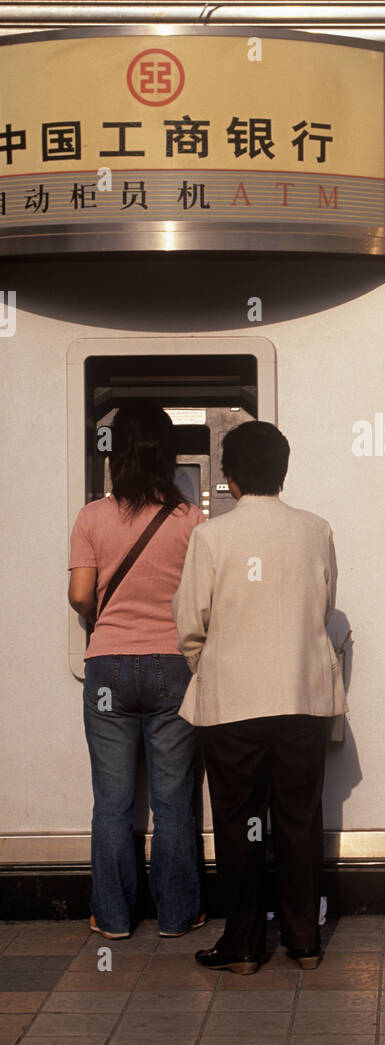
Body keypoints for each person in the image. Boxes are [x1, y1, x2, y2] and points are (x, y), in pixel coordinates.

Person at [172, 420, 346, 975]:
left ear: (229, 477)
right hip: (302, 698)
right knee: (299, 818)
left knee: (237, 821)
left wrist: (217, 667)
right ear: (283, 470)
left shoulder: (210, 536)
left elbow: (190, 626)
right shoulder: (316, 529)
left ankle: (244, 945)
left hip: (232, 706)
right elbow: (322, 608)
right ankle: (304, 941)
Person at [68, 401, 207, 939]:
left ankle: (114, 916)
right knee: (173, 802)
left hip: (108, 667)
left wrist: (105, 615)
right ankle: (177, 915)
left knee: (112, 800)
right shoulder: (192, 520)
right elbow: (199, 602)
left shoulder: (92, 517)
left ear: (113, 454)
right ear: (169, 456)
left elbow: (82, 595)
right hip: (173, 666)